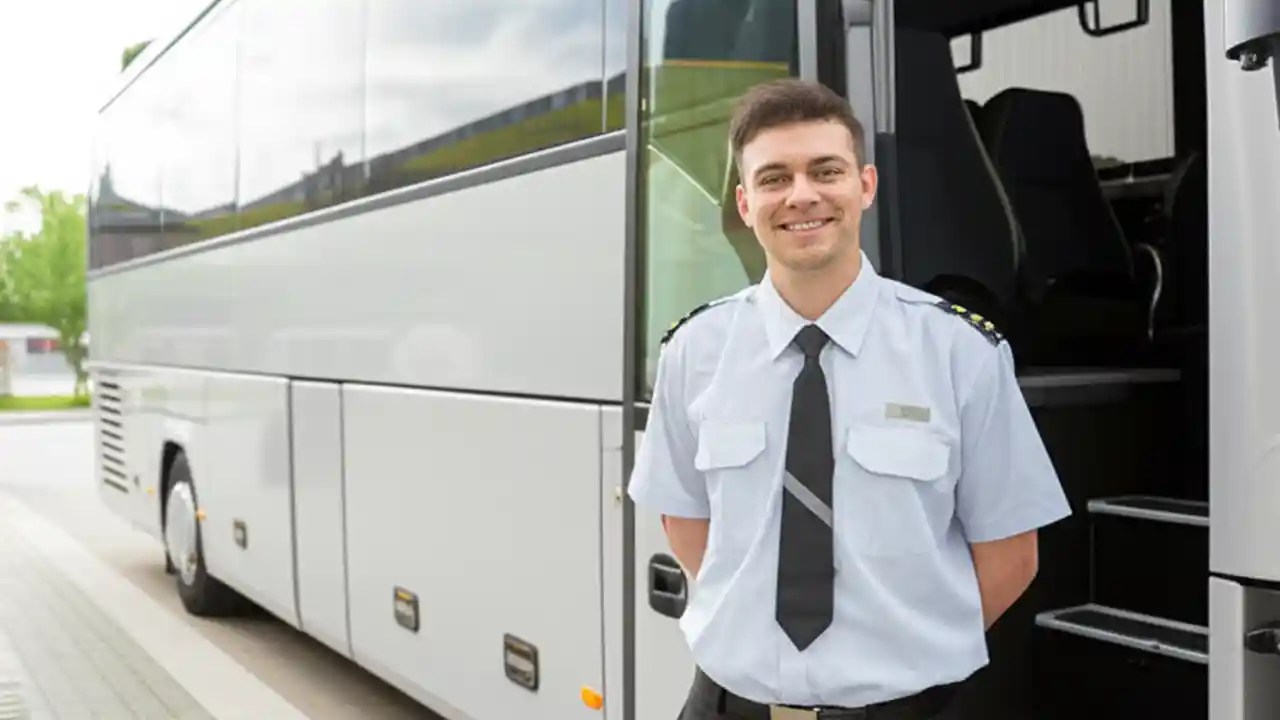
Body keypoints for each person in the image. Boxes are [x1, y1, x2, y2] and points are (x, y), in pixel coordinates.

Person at [627, 78, 1072, 720]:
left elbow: (1011, 554)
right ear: (746, 203)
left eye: (824, 171)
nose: (802, 194)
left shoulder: (959, 352)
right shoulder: (694, 352)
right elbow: (687, 525)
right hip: (728, 706)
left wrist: (907, 656)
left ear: (865, 186)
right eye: (775, 178)